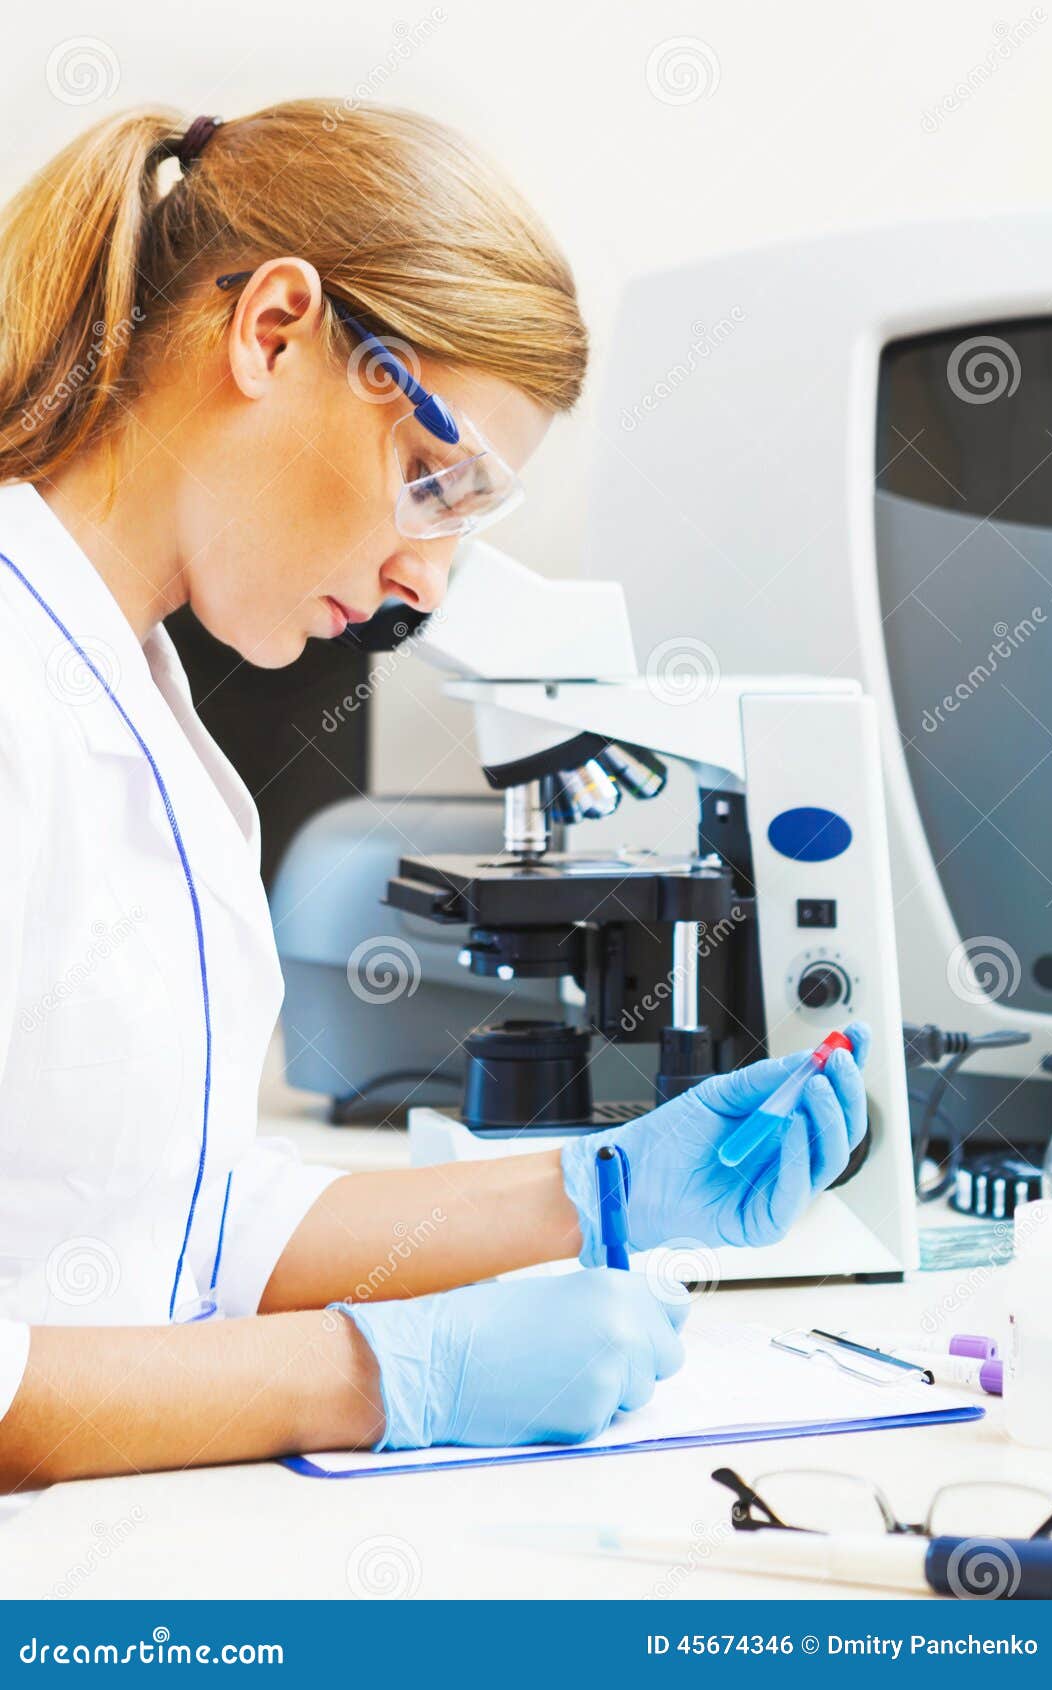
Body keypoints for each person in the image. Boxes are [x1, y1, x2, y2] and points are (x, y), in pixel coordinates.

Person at [0, 102, 869, 1488]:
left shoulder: (130, 689)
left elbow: (172, 1218)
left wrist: (598, 1195)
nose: (426, 581)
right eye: (429, 484)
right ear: (272, 331)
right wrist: (383, 1373)